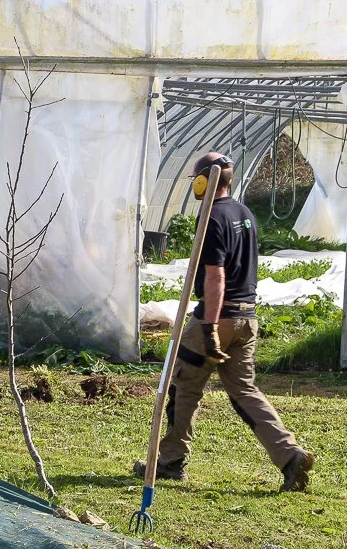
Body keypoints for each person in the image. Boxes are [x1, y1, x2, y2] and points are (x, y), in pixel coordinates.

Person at [135, 152, 315, 492]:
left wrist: (208, 327)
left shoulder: (212, 219)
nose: (193, 185)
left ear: (205, 180)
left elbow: (216, 277)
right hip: (247, 318)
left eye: (194, 178)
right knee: (244, 391)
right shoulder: (244, 213)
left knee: (183, 386)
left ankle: (170, 462)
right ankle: (291, 456)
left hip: (218, 318)